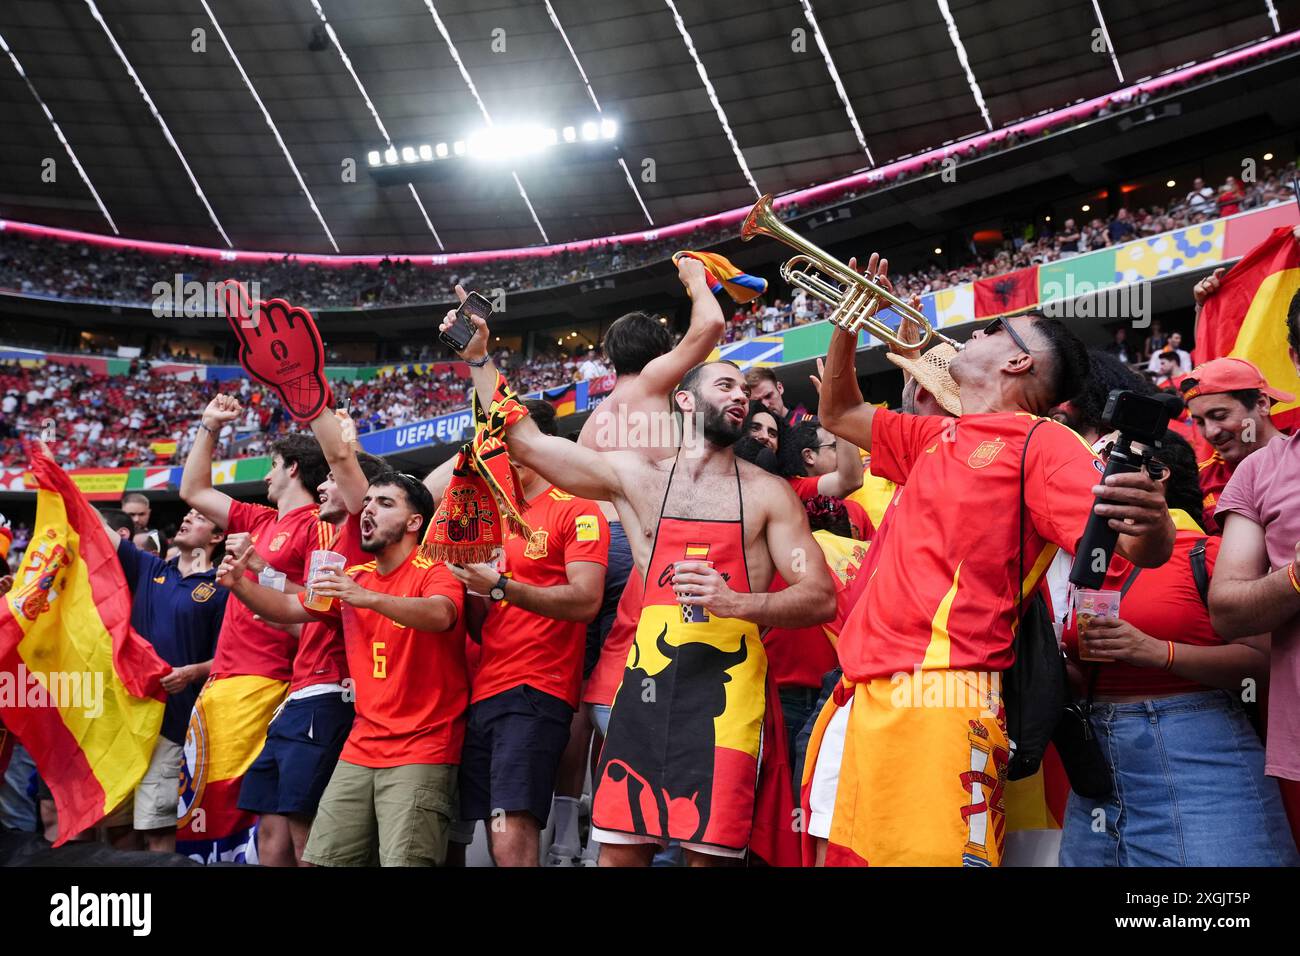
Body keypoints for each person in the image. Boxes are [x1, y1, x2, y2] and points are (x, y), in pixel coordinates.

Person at [440, 302, 835, 867]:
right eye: (723, 384)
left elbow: (819, 595)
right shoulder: (634, 476)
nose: (740, 396)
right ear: (683, 400)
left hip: (727, 695)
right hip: (645, 688)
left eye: (744, 389)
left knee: (710, 855)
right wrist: (480, 359)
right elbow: (524, 443)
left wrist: (736, 600)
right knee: (620, 852)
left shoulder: (769, 495)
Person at [815, 253, 1175, 866]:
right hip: (865, 688)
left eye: (989, 330)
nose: (971, 334)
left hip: (944, 692)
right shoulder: (940, 435)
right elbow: (838, 415)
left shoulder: (1045, 441)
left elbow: (1135, 546)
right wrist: (848, 321)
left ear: (1017, 360)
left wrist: (1154, 521)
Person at [1059, 431, 1298, 865]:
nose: (1092, 467)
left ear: (1158, 475)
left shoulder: (1208, 553)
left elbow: (1259, 669)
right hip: (1095, 768)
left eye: (1106, 459)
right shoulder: (1077, 565)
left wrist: (1158, 652)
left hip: (1198, 758)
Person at [219, 473, 467, 867]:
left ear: (414, 522)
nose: (368, 509)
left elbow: (441, 614)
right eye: (367, 501)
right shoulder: (356, 577)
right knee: (321, 860)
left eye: (385, 503)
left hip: (423, 747)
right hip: (361, 746)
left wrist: (366, 597)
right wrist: (241, 584)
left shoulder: (434, 570)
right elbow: (290, 608)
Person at [444, 399, 609, 867]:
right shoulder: (487, 517)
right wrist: (475, 586)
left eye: (499, 444)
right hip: (483, 694)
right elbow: (481, 625)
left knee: (511, 831)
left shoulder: (575, 508)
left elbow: (585, 600)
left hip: (536, 689)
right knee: (469, 830)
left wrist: (499, 586)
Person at [236, 405, 391, 866]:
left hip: (330, 693)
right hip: (297, 695)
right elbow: (296, 613)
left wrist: (318, 409)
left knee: (309, 838)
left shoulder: (360, 542)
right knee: (273, 831)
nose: (321, 485)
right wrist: (251, 579)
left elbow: (352, 470)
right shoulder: (327, 544)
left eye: (331, 480)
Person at [178, 393, 329, 860]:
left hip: (267, 679)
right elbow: (195, 491)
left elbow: (320, 603)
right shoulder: (260, 519)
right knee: (211, 803)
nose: (264, 475)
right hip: (225, 679)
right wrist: (209, 427)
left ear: (292, 469)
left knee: (250, 812)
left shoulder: (317, 525)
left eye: (272, 465)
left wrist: (261, 570)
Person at [1210, 288, 1300, 848]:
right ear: (1294, 354)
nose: (1211, 432)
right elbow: (1227, 610)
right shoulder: (1260, 471)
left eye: (1219, 415)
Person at [98, 507, 227, 853]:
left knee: (158, 833)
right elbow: (100, 529)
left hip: (173, 727)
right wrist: (60, 480)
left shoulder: (223, 589)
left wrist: (192, 672)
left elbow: (229, 657)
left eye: (199, 518)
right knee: (119, 828)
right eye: (186, 513)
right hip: (126, 723)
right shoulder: (150, 568)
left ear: (217, 538)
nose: (186, 518)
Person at [1180, 357, 1293, 533]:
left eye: (1219, 416)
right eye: (1200, 422)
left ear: (1261, 404)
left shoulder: (1296, 458)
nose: (1210, 432)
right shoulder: (1200, 480)